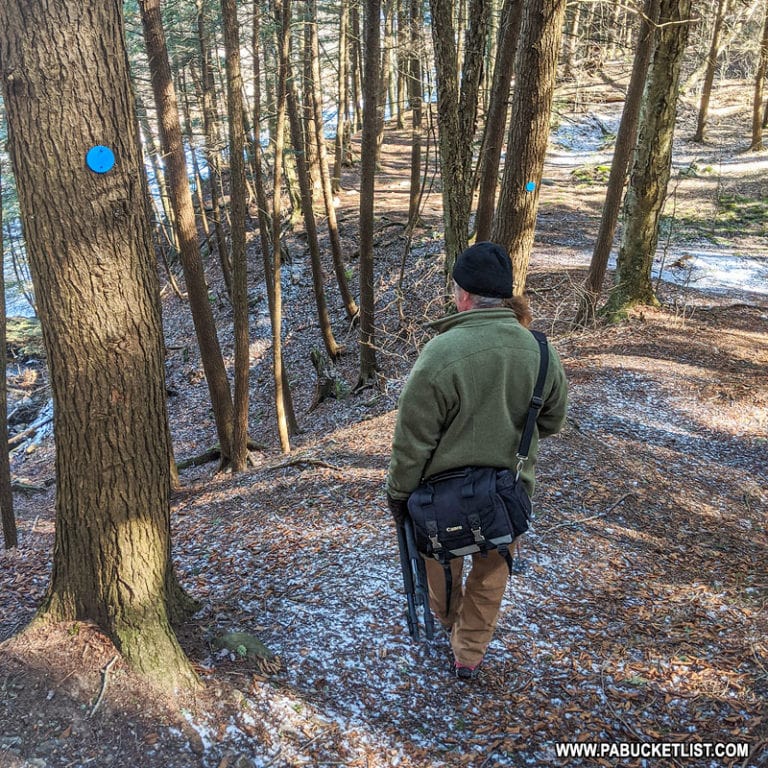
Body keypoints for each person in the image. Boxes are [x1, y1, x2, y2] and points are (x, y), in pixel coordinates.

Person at [386, 241, 568, 680]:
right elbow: (553, 420)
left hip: (439, 499)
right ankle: (468, 653)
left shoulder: (440, 354)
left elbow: (413, 441)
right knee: (491, 573)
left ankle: (448, 625)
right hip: (508, 493)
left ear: (463, 295)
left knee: (443, 570)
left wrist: (398, 492)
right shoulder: (540, 351)